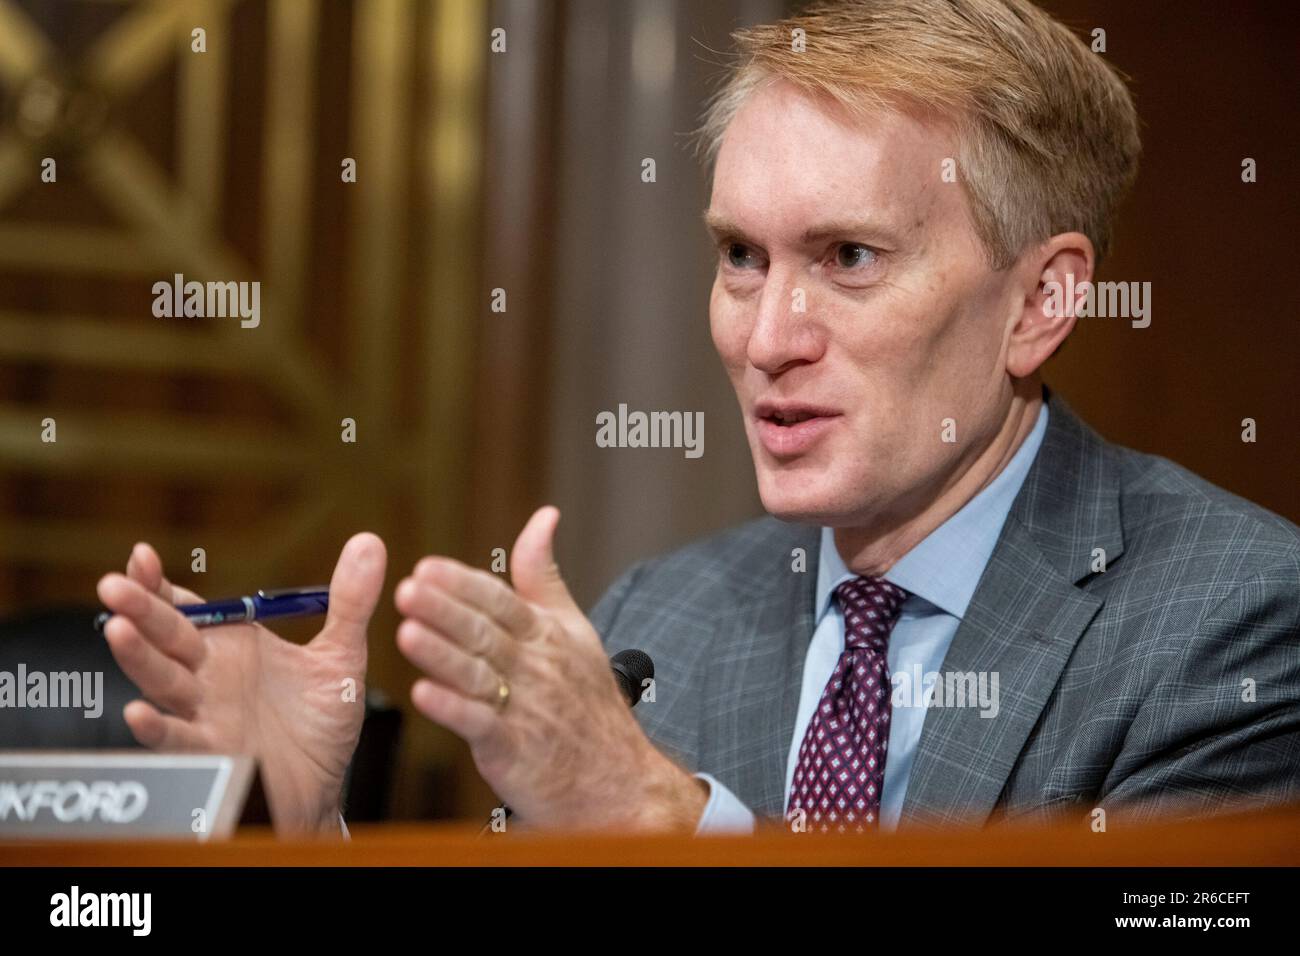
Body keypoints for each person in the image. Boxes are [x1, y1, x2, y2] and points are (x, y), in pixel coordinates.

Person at [95, 0, 1300, 835]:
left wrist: (665, 821)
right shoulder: (655, 619)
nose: (765, 334)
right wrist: (305, 828)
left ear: (1039, 301)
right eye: (738, 254)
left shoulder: (1232, 622)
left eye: (847, 256)